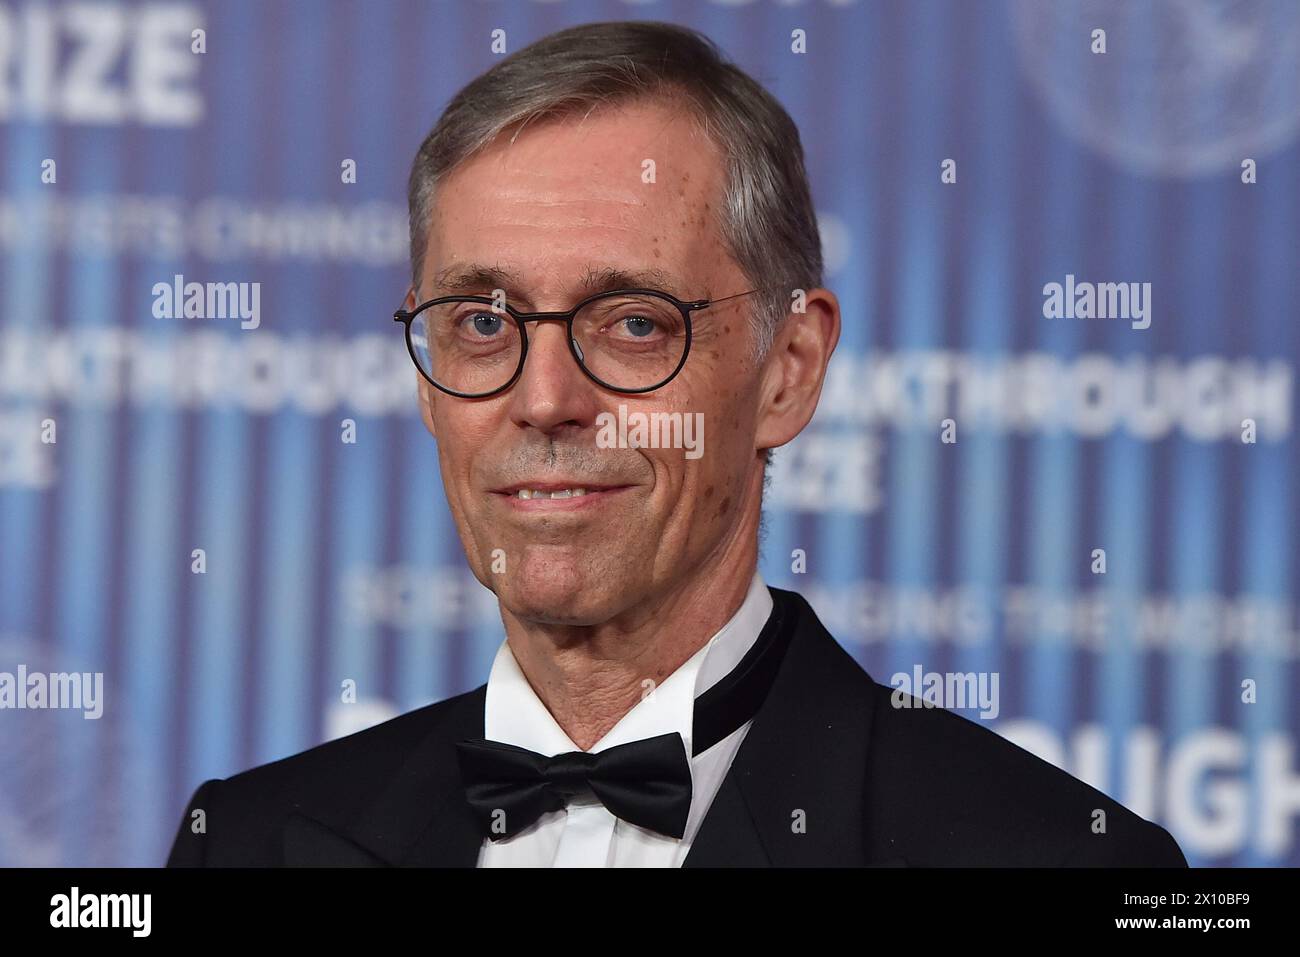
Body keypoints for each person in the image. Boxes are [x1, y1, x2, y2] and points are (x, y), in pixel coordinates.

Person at [167, 20, 1186, 867]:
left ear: (786, 370)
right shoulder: (250, 843)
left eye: (633, 322)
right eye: (481, 323)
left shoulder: (1055, 859)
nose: (545, 399)